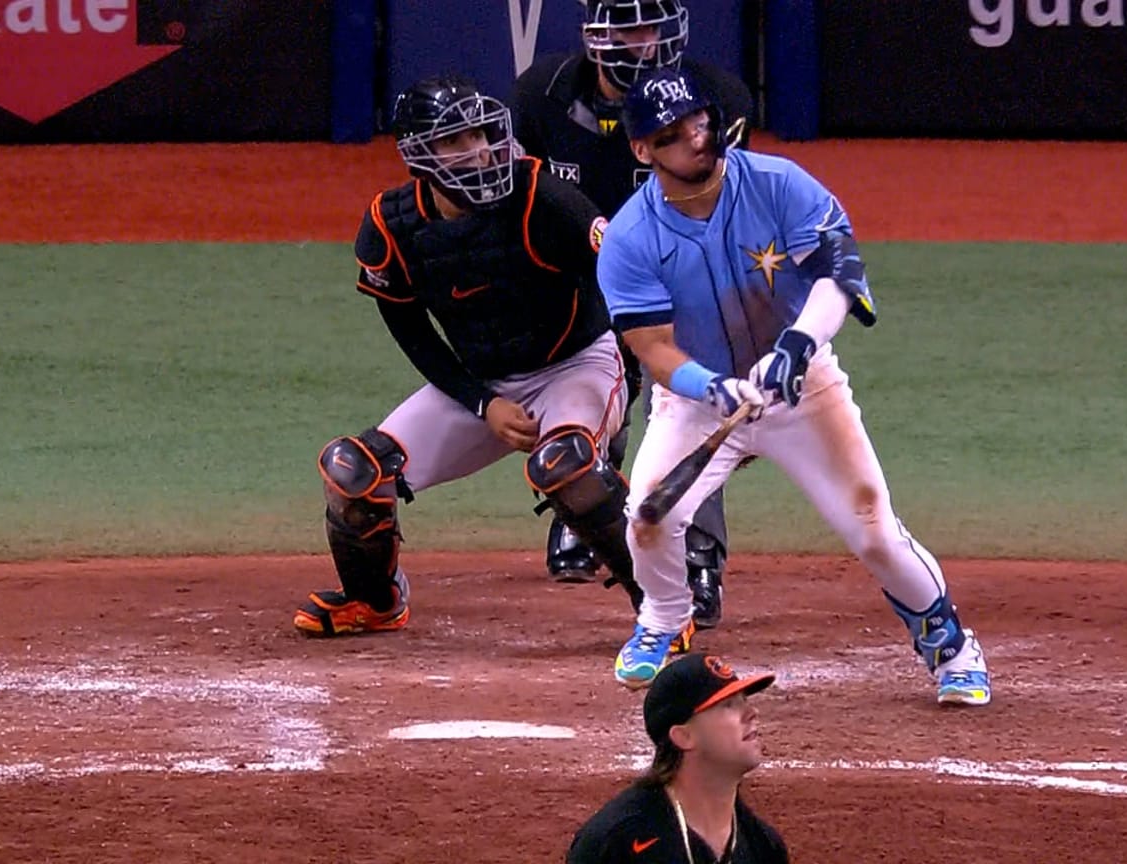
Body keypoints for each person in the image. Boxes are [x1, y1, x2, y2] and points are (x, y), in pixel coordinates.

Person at [596, 67, 993, 707]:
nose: (697, 137)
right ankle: (665, 620)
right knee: (648, 513)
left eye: (700, 120)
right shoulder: (630, 237)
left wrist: (797, 345)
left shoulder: (777, 184)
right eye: (674, 133)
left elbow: (841, 272)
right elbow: (653, 349)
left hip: (800, 388)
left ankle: (950, 647)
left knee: (872, 528)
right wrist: (714, 389)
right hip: (699, 400)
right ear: (643, 151)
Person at [292, 74, 643, 636]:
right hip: (485, 384)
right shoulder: (392, 225)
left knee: (567, 468)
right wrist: (483, 404)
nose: (477, 151)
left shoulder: (539, 195)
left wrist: (634, 381)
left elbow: (627, 279)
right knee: (352, 471)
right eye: (456, 142)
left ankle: (661, 604)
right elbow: (413, 332)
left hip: (579, 365)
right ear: (420, 154)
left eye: (480, 136)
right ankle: (374, 601)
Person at [512, 0, 753, 630]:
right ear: (593, 34)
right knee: (590, 380)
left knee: (688, 403)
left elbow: (713, 202)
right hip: (576, 272)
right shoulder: (541, 94)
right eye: (621, 26)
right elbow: (522, 198)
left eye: (646, 25)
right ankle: (587, 520)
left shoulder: (715, 97)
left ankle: (698, 557)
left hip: (680, 265)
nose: (634, 41)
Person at [566, 653, 789, 863]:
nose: (751, 713)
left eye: (744, 701)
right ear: (683, 736)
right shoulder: (615, 843)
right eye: (728, 705)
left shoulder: (763, 848)